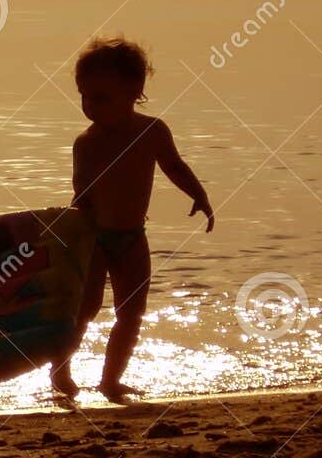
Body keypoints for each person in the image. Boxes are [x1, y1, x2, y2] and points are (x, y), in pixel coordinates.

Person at [52, 37, 213, 403]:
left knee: (131, 313)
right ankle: (61, 368)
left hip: (132, 238)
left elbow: (174, 165)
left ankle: (110, 380)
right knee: (86, 308)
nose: (90, 106)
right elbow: (82, 196)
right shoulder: (86, 143)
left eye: (102, 97)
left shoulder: (152, 132)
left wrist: (198, 194)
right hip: (95, 239)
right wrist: (69, 238)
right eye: (85, 96)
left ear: (133, 91)